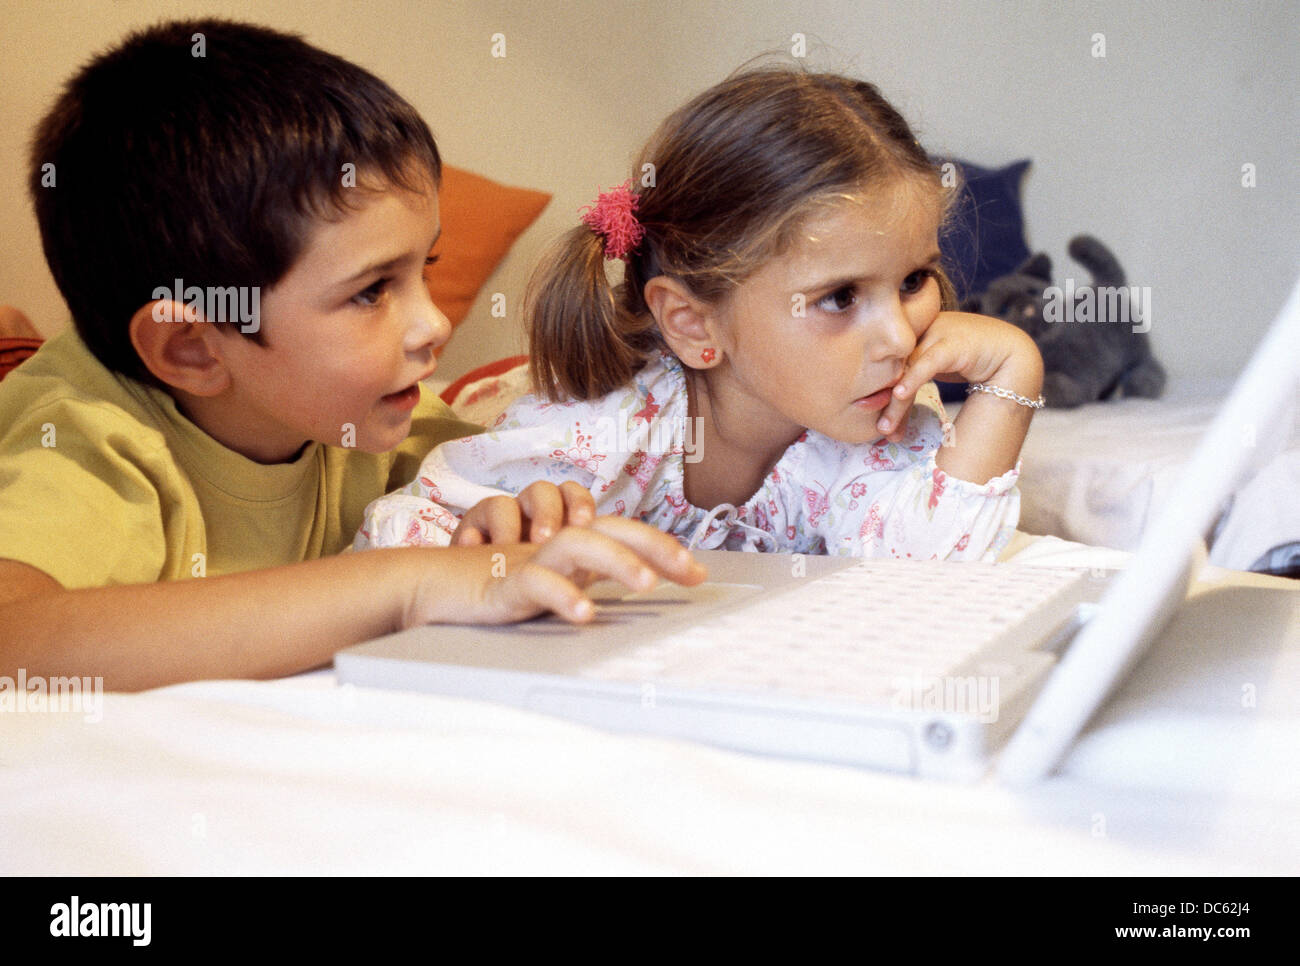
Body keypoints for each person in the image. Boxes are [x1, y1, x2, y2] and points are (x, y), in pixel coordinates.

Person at [0, 19, 705, 692]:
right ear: (193, 348)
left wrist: (502, 520)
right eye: (371, 292)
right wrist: (406, 585)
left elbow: (471, 505)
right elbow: (13, 646)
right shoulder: (86, 442)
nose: (431, 324)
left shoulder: (372, 416)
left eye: (424, 267)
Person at [359, 68, 1044, 558]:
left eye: (915, 278)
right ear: (694, 323)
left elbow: (931, 563)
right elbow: (392, 532)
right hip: (512, 391)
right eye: (840, 297)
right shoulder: (596, 436)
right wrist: (487, 538)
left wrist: (1015, 370)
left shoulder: (878, 407)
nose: (899, 335)